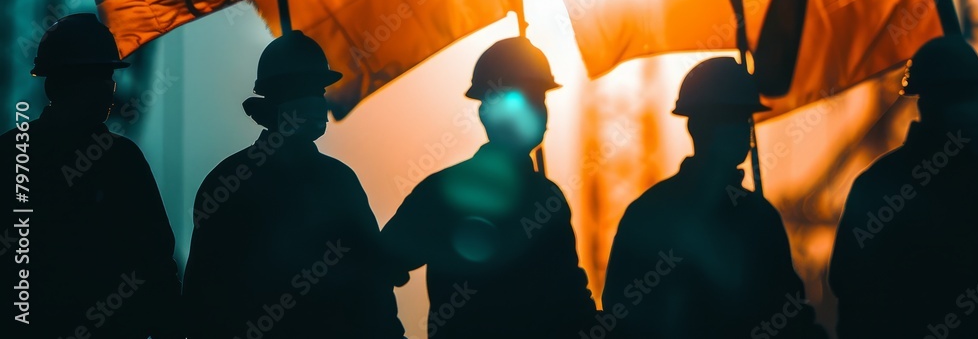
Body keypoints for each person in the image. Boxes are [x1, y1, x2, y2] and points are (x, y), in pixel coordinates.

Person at [182, 31, 404, 338]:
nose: (318, 99)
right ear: (276, 102)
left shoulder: (337, 180)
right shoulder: (231, 184)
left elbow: (370, 281)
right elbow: (203, 292)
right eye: (306, 89)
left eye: (320, 89)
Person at [381, 37, 596, 338]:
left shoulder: (548, 198)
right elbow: (375, 270)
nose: (538, 111)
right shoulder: (445, 194)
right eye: (526, 99)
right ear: (486, 113)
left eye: (539, 98)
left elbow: (571, 302)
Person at [603, 56, 825, 338]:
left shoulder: (649, 211)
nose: (742, 129)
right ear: (697, 127)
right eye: (729, 118)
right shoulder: (755, 216)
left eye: (743, 119)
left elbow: (788, 314)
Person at [0, 13, 182, 338]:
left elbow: (155, 261)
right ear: (62, 85)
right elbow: (156, 264)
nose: (109, 93)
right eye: (99, 80)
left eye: (108, 80)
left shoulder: (12, 152)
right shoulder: (120, 160)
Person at [829, 35, 978, 337]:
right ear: (931, 102)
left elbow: (847, 287)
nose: (975, 109)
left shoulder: (876, 183)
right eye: (963, 97)